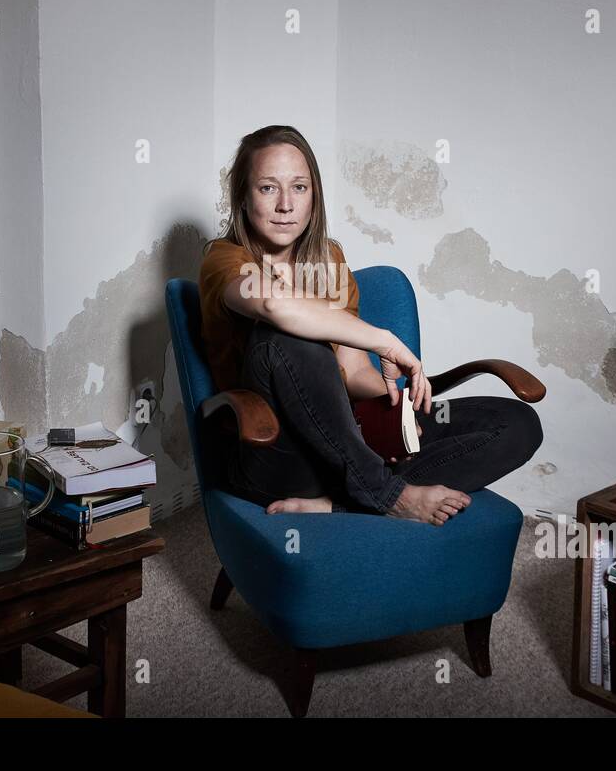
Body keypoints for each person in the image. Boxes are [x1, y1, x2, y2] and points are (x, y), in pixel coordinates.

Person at [198, 125, 543, 526]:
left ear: (314, 196)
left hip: (345, 445)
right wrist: (385, 341)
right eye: (268, 188)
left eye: (299, 187)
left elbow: (355, 370)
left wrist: (394, 414)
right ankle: (388, 495)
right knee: (287, 335)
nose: (286, 205)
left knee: (516, 424)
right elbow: (275, 305)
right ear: (243, 197)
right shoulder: (224, 260)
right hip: (276, 457)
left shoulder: (329, 261)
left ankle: (338, 504)